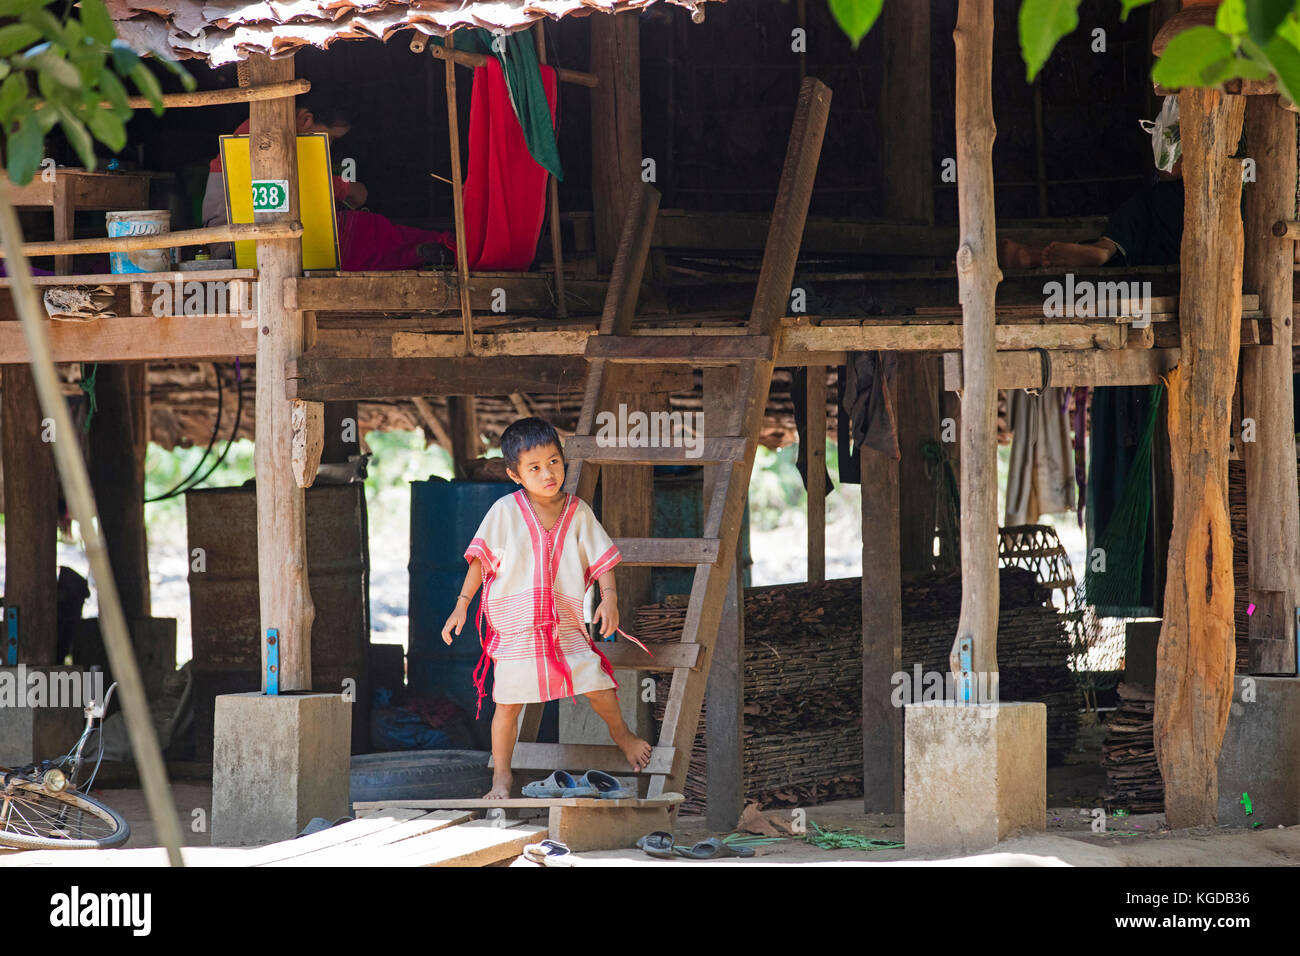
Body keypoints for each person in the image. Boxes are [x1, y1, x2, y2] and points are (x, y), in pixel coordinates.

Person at [440, 417, 654, 799]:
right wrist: (461, 607)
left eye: (553, 462)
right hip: (517, 631)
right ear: (515, 474)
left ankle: (622, 734)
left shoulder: (578, 511)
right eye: (534, 468)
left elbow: (602, 559)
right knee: (506, 706)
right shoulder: (505, 511)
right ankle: (501, 776)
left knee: (599, 686)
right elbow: (480, 561)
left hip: (565, 630)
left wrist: (610, 598)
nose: (547, 473)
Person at [202, 92, 454, 270]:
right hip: (236, 243)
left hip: (270, 235)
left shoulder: (287, 137)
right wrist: (344, 188)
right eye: (330, 137)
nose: (330, 145)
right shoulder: (262, 131)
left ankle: (431, 249)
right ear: (306, 119)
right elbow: (283, 186)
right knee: (363, 230)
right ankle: (437, 247)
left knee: (370, 232)